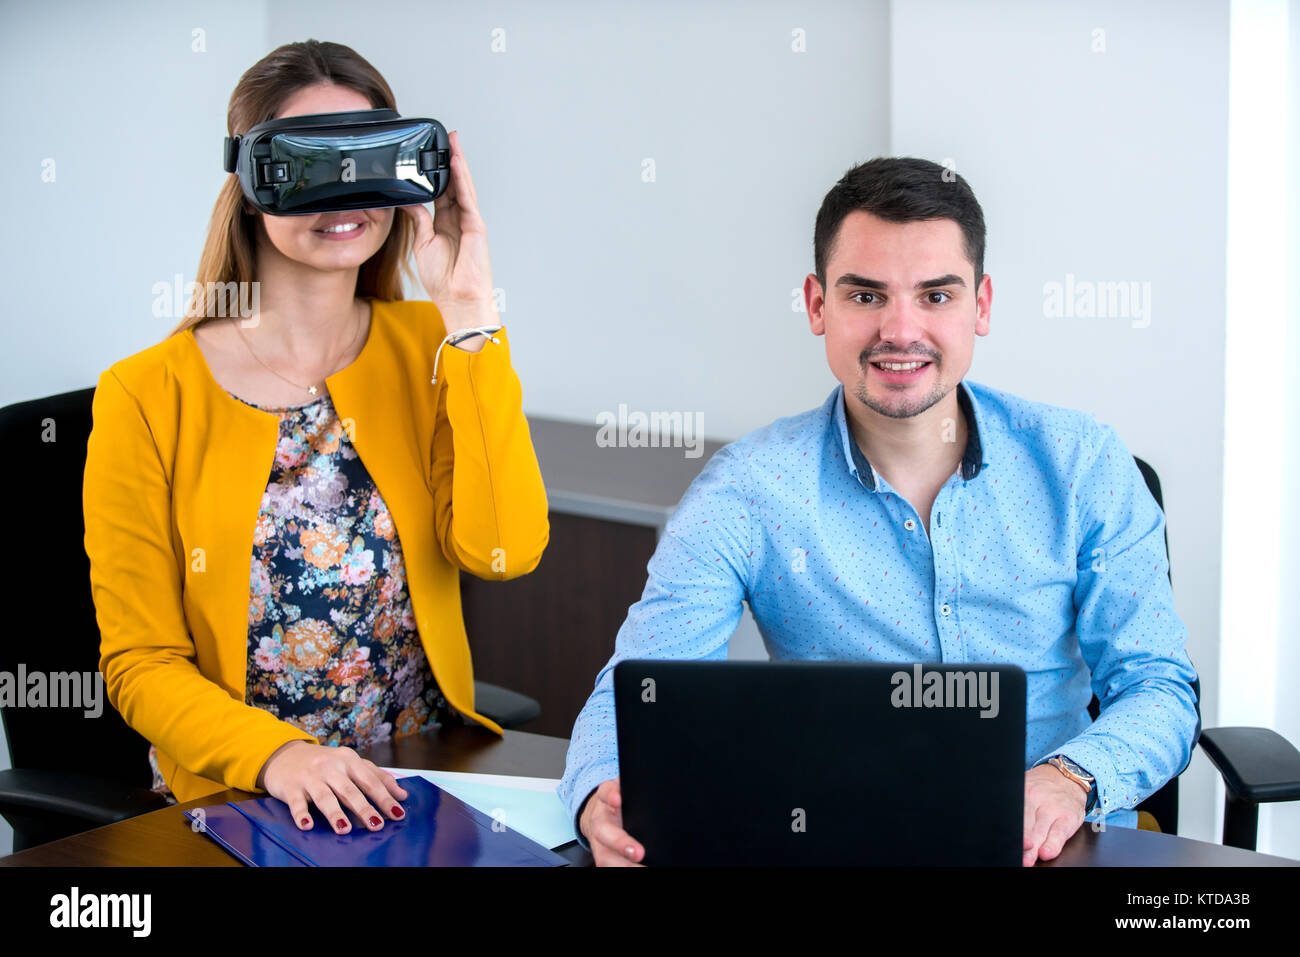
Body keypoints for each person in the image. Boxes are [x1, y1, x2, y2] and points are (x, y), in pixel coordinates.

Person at [559, 156, 1200, 867]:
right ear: (816, 305)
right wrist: (598, 791)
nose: (900, 330)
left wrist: (1070, 777)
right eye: (865, 296)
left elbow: (1159, 685)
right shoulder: (748, 489)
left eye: (935, 296)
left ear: (980, 306)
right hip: (841, 841)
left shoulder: (1082, 463)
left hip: (1052, 844)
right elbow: (638, 683)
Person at [83, 40, 548, 835]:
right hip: (245, 793)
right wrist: (281, 756)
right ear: (250, 181)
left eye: (364, 160)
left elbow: (503, 551)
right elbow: (140, 663)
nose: (343, 195)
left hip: (416, 784)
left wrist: (469, 315)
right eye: (308, 163)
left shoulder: (429, 346)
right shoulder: (146, 394)